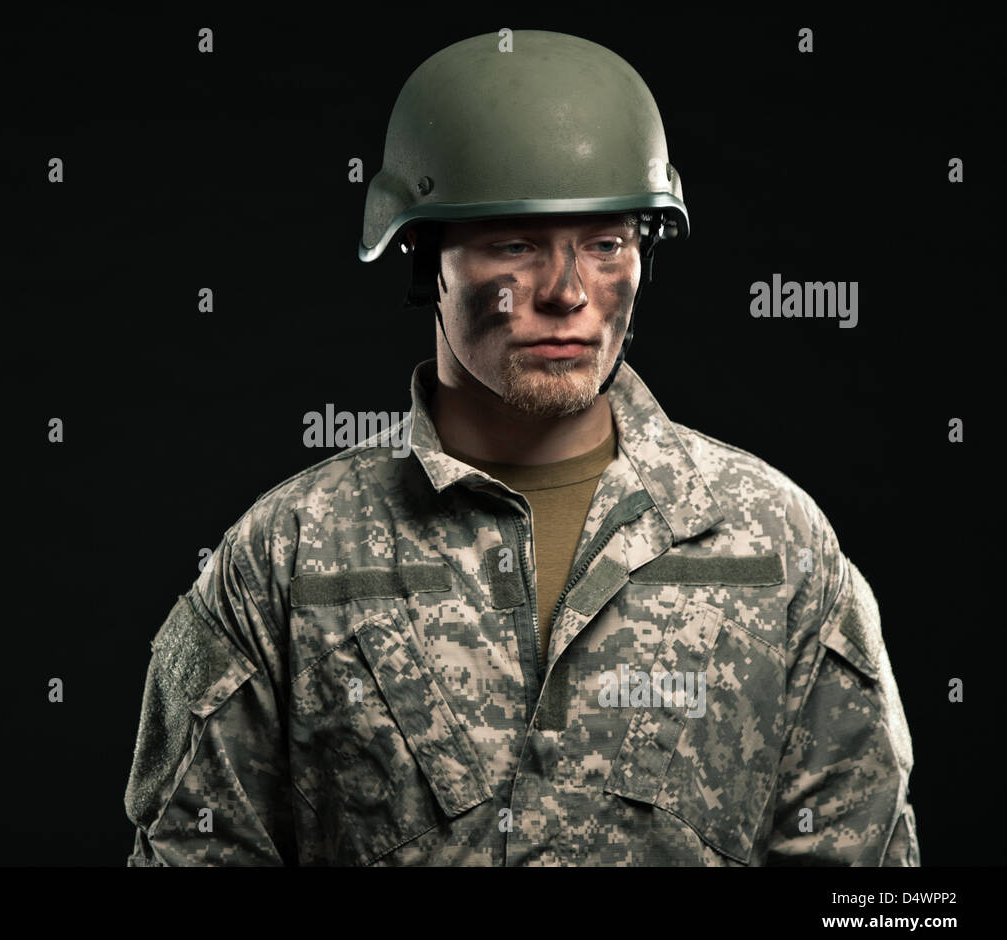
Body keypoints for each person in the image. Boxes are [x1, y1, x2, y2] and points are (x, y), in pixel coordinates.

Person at [122, 29, 919, 866]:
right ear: (425, 257)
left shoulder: (776, 544)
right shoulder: (285, 559)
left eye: (606, 243)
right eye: (514, 244)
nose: (567, 292)